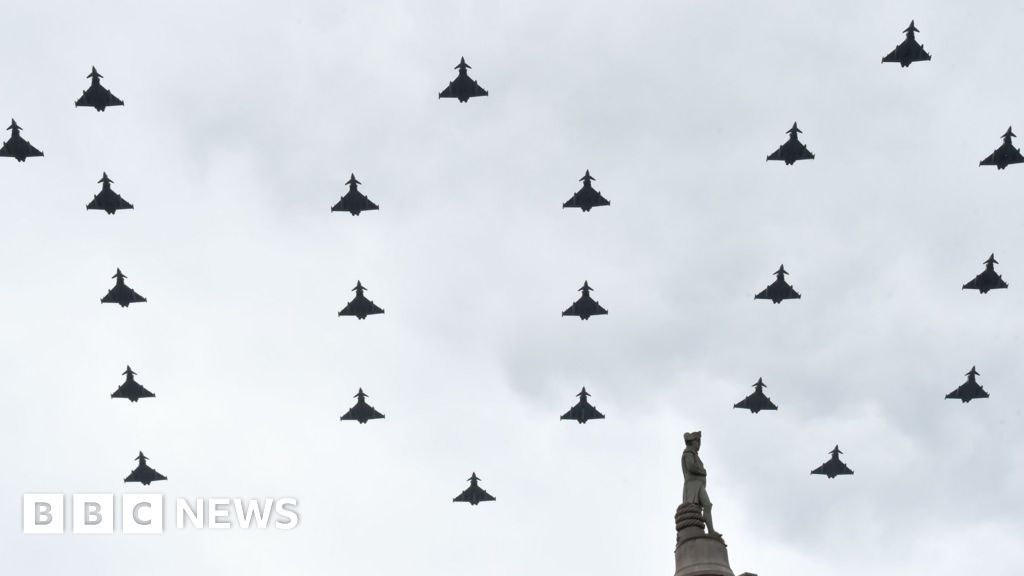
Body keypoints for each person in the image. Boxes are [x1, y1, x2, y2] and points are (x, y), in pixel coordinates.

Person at [681, 431, 720, 537]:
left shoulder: (692, 454)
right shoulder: (688, 453)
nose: (699, 445)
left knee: (707, 505)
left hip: (698, 485)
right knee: (704, 505)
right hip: (693, 486)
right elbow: (690, 467)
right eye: (698, 442)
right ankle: (710, 530)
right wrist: (702, 471)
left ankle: (711, 530)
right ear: (693, 442)